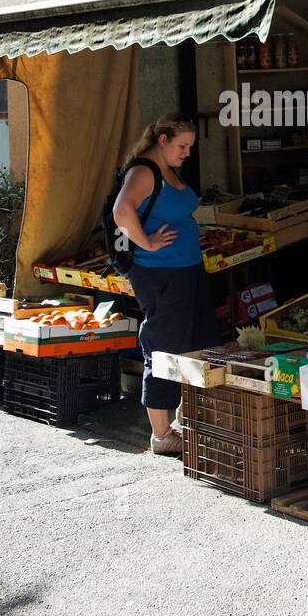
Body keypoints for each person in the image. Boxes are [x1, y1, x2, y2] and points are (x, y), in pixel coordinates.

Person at [112, 112, 220, 456]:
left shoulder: (167, 170)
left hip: (185, 270)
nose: (187, 153)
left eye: (190, 146)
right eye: (182, 146)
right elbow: (121, 210)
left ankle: (184, 417)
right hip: (160, 274)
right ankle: (161, 434)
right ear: (162, 141)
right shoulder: (144, 171)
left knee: (194, 343)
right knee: (163, 347)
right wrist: (146, 242)